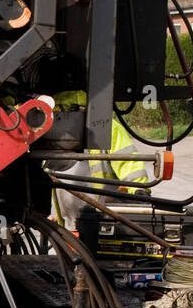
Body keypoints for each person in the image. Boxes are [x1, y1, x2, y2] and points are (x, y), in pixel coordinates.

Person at [46, 89, 150, 229]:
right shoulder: (48, 131)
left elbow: (128, 162)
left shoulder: (106, 127)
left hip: (102, 222)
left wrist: (139, 191)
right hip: (69, 224)